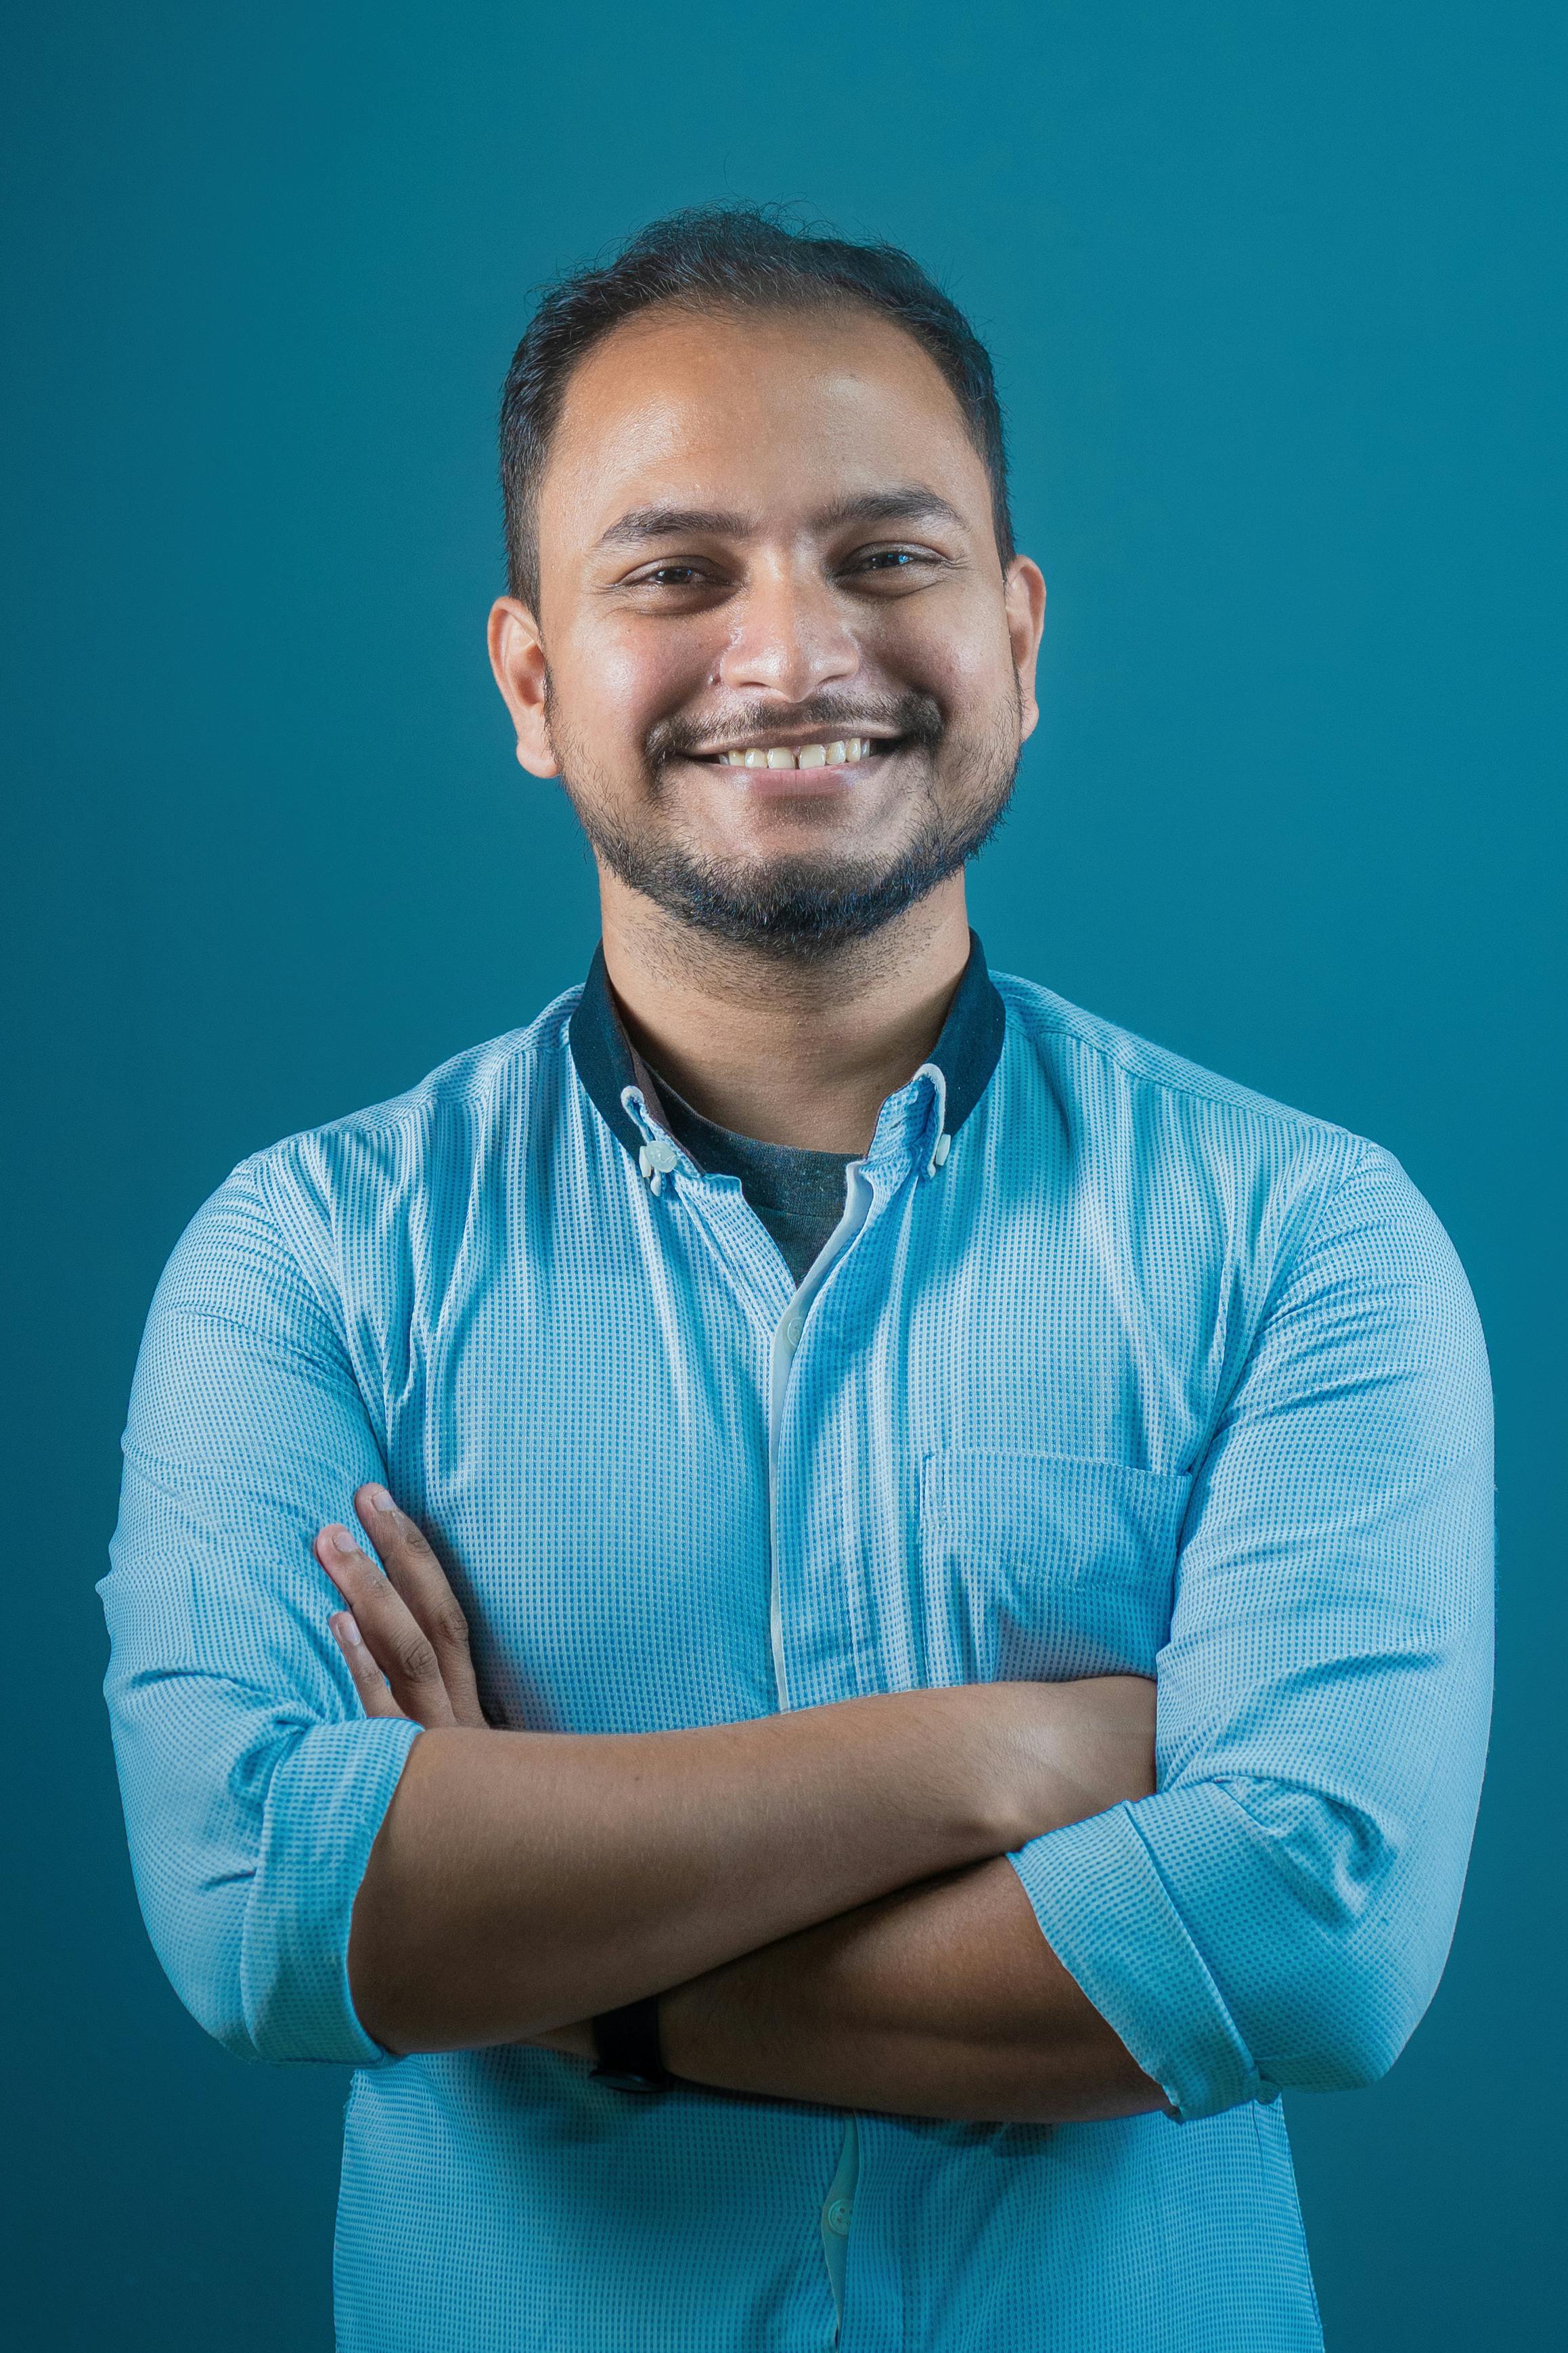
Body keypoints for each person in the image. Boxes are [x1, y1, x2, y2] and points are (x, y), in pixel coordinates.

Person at [100, 207, 1493, 2353]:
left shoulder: (1308, 1237)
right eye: (677, 573)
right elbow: (255, 1910)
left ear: (1016, 632)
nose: (792, 653)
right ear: (533, 682)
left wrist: (578, 1978)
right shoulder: (311, 1261)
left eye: (886, 555)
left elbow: (1309, 1942)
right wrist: (1003, 1758)